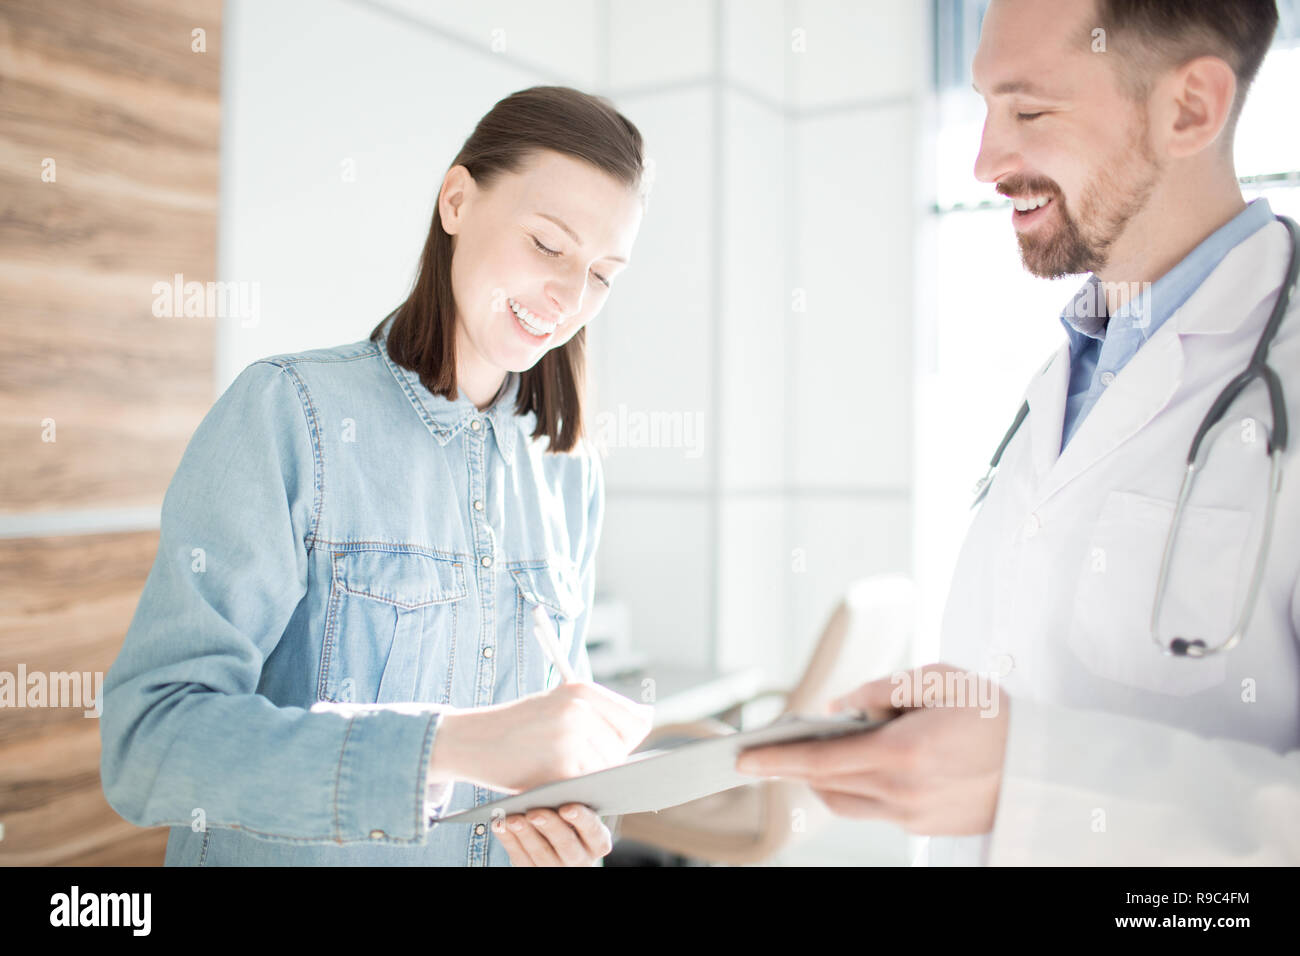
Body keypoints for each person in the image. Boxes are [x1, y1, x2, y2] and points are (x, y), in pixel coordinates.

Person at [737, 0, 1300, 864]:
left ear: (1189, 108)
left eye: (1029, 111)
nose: (984, 160)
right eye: (985, 106)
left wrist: (1032, 780)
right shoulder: (1073, 368)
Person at [100, 86, 653, 867]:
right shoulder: (288, 414)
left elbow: (556, 754)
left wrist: (579, 816)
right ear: (457, 201)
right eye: (547, 245)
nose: (568, 298)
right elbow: (149, 742)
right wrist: (449, 746)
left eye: (602, 274)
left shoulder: (567, 475)